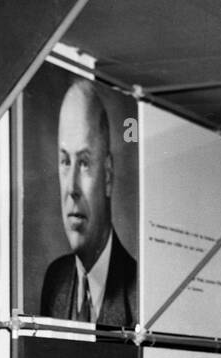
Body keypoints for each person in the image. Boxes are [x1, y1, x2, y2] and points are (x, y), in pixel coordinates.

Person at [39, 78, 138, 327]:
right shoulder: (55, 281)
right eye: (65, 162)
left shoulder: (139, 290)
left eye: (84, 163)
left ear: (107, 174)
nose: (71, 188)